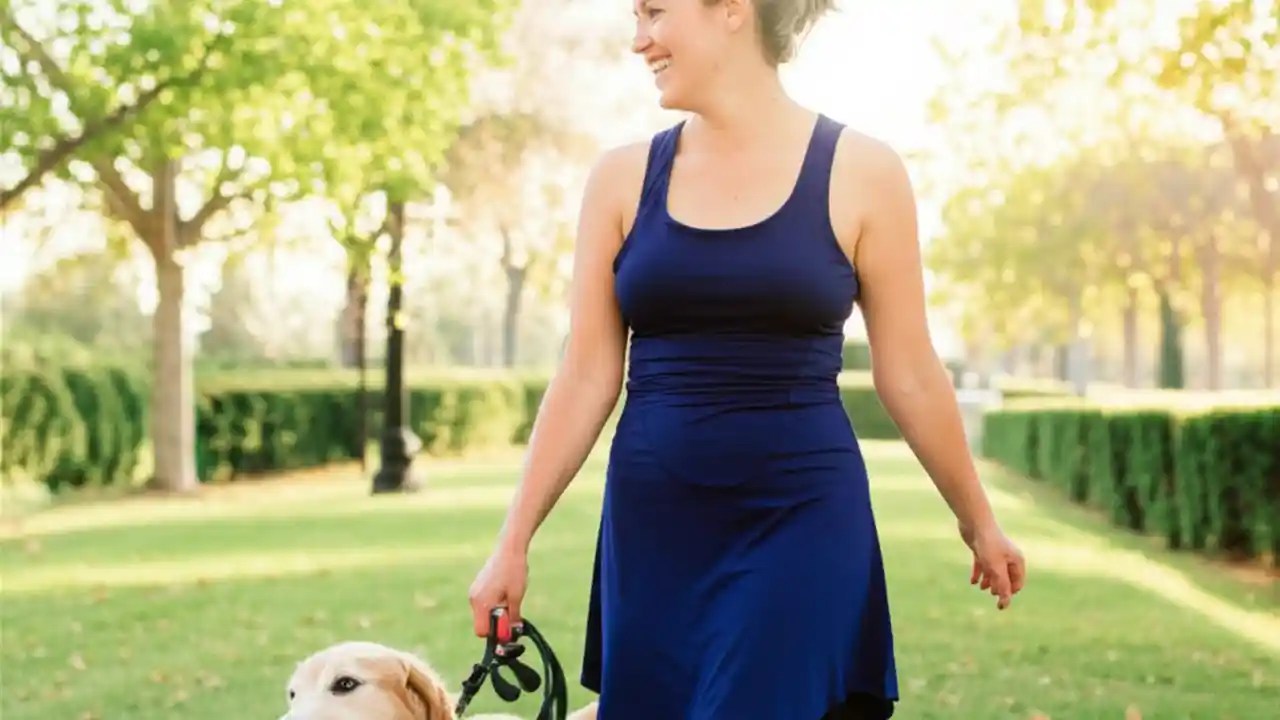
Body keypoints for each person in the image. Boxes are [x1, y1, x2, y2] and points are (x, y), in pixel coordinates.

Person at [467, 0, 1027, 717]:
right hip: (655, 532)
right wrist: (512, 543)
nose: (638, 40)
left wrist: (977, 520)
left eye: (655, 12)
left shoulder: (864, 172)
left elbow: (910, 370)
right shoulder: (619, 180)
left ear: (732, 8)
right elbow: (586, 373)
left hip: (801, 522)